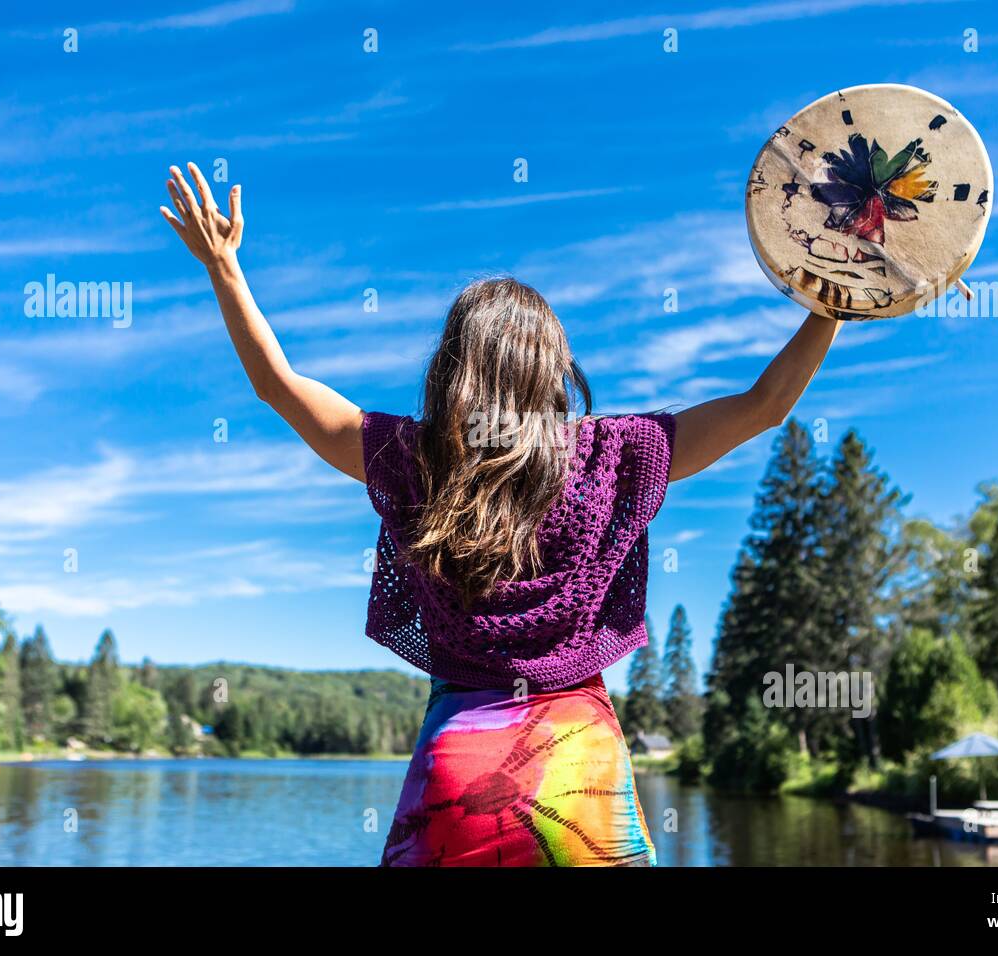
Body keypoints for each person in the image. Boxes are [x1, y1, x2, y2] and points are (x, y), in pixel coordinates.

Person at [161, 163, 842, 866]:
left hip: (459, 767)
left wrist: (224, 268)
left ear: (452, 367)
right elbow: (764, 406)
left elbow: (278, 386)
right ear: (553, 368)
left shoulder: (415, 458)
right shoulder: (615, 453)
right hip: (577, 767)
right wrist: (837, 301)